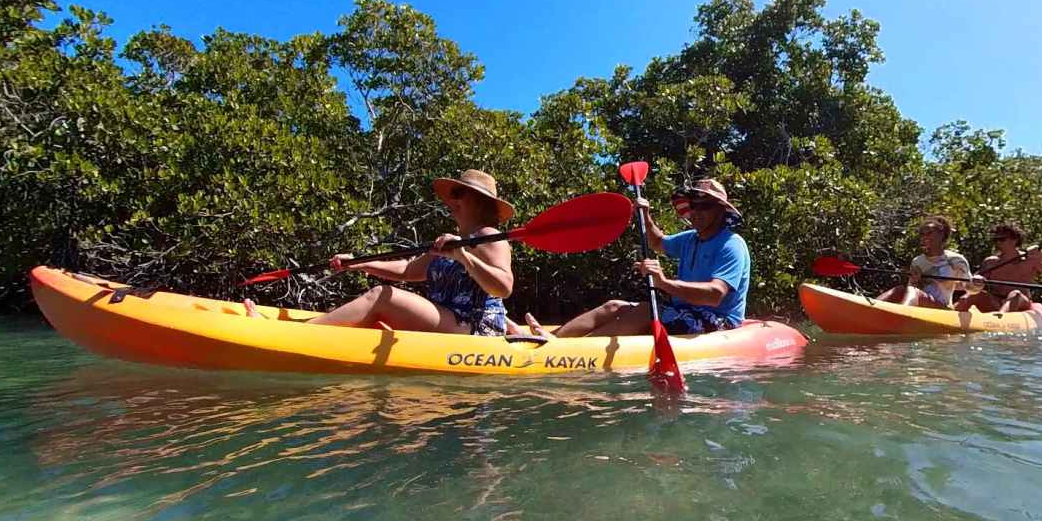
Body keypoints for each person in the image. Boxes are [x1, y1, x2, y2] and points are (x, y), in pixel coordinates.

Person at [245, 169, 514, 334]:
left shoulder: (488, 237)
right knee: (384, 295)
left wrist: (463, 256)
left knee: (382, 296)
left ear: (479, 202)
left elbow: (503, 287)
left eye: (459, 193)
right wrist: (359, 264)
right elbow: (408, 270)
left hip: (475, 327)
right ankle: (308, 329)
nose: (452, 201)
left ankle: (292, 337)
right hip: (449, 319)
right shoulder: (453, 241)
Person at [525, 178, 750, 337]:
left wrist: (664, 283)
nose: (697, 211)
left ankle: (572, 353)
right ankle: (552, 340)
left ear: (721, 210)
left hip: (718, 322)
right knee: (613, 306)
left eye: (706, 206)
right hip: (684, 312)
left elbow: (715, 295)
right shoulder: (691, 238)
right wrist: (646, 216)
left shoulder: (731, 245)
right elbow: (658, 242)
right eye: (694, 205)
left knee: (646, 310)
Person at [954, 222, 1042, 312]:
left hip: (1021, 302)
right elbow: (970, 286)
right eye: (996, 240)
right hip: (996, 301)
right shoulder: (991, 262)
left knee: (1015, 294)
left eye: (1002, 239)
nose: (998, 243)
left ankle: (1000, 319)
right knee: (970, 295)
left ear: (1015, 240)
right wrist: (976, 282)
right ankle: (950, 316)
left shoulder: (1031, 261)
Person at [877, 215, 971, 309]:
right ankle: (872, 306)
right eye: (922, 234)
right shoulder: (917, 261)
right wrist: (914, 280)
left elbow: (968, 287)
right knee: (900, 289)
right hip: (921, 306)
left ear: (941, 235)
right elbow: (911, 287)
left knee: (914, 292)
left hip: (943, 309)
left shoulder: (956, 260)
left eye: (929, 233)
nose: (925, 237)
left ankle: (901, 313)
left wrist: (976, 283)